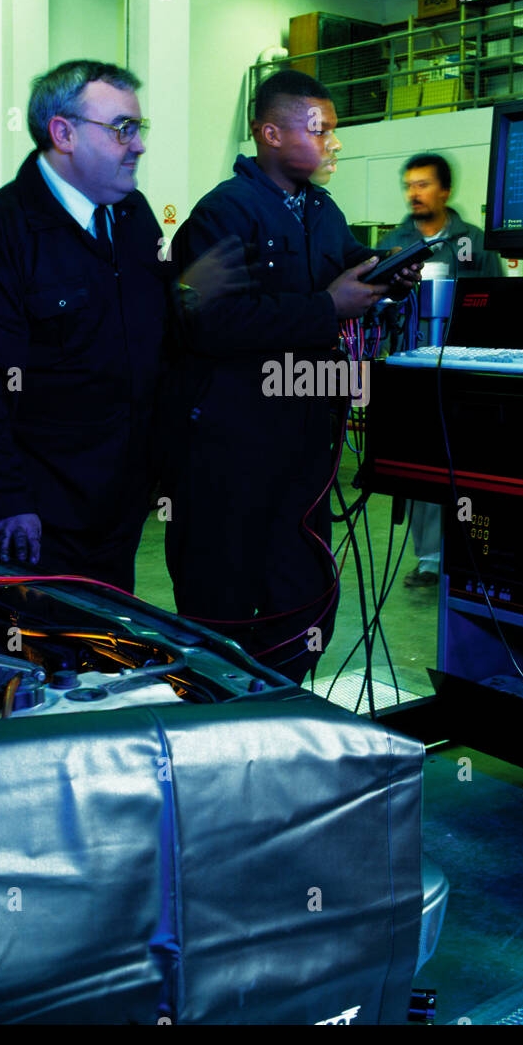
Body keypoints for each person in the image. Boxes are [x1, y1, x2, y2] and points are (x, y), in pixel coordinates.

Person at [162, 69, 418, 682]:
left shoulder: (322, 211)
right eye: (320, 129)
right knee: (220, 606)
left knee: (304, 600)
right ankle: (220, 731)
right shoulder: (224, 213)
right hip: (230, 451)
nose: (334, 142)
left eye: (334, 130)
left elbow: (349, 264)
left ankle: (275, 713)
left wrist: (386, 276)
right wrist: (328, 308)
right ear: (270, 133)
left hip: (302, 453)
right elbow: (209, 323)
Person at [0, 60, 239, 593]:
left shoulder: (131, 215)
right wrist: (8, 500)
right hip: (40, 512)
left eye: (139, 128)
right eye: (122, 129)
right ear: (63, 133)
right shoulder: (4, 229)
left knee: (104, 652)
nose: (139, 145)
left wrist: (190, 295)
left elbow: (151, 335)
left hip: (121, 499)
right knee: (34, 655)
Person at [385, 152, 503, 588]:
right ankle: (431, 559)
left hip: (465, 374)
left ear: (445, 190)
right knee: (423, 469)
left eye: (424, 184)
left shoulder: (474, 243)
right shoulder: (393, 245)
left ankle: (475, 553)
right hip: (412, 375)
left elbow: (497, 306)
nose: (415, 193)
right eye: (409, 185)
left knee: (473, 466)